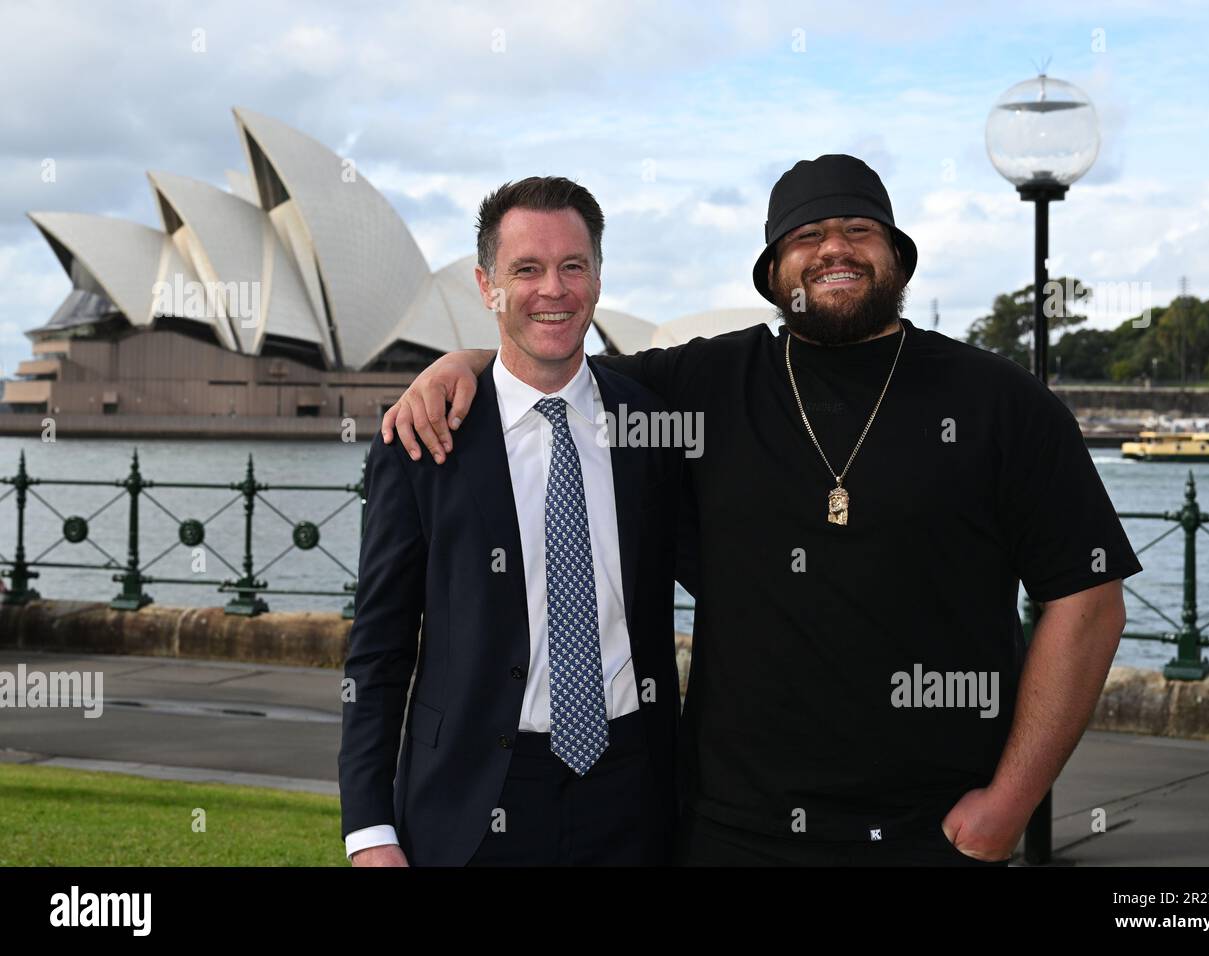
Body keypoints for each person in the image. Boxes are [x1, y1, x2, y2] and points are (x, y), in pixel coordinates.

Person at [381, 155, 1142, 866]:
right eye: (806, 236)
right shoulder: (708, 381)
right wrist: (464, 363)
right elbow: (557, 362)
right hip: (729, 831)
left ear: (898, 258)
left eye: (859, 230)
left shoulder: (1003, 403)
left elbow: (1088, 600)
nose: (833, 250)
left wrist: (1008, 805)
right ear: (775, 272)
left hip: (931, 828)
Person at [338, 177, 682, 866]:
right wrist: (370, 831)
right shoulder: (423, 439)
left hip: (632, 797)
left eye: (572, 266)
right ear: (486, 284)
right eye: (526, 269)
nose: (552, 289)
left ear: (597, 277)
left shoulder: (652, 424)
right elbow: (378, 650)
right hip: (471, 801)